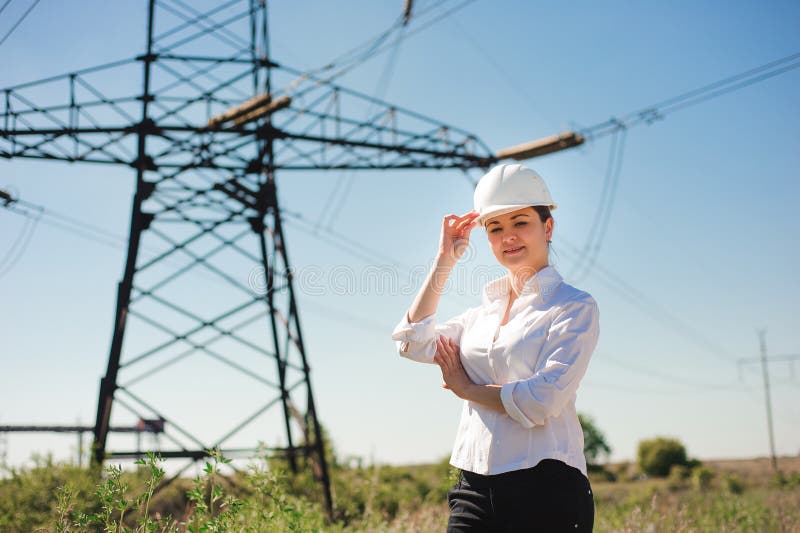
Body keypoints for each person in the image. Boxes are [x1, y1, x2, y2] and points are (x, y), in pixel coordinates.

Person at [391, 163, 599, 532]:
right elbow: (411, 342)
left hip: (547, 488)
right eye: (495, 228)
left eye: (520, 223)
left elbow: (542, 399)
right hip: (473, 485)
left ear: (547, 227)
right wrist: (445, 259)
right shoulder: (479, 317)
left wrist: (467, 389)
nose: (508, 237)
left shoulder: (573, 306)